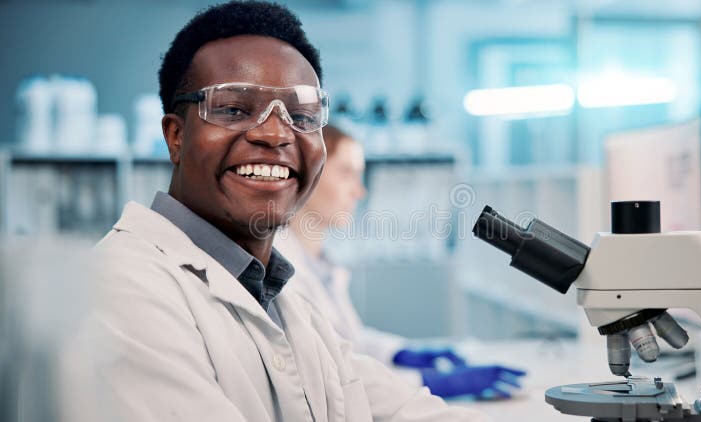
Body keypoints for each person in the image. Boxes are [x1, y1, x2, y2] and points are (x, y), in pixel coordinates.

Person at [89, 2, 488, 421]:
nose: (276, 133)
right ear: (175, 135)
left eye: (302, 115)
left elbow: (401, 408)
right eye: (233, 109)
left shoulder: (281, 298)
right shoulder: (121, 286)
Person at [276, 124, 527, 399]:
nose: (359, 192)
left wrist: (399, 352)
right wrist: (432, 382)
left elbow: (347, 343)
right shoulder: (281, 271)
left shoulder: (321, 262)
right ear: (305, 173)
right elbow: (330, 374)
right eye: (347, 174)